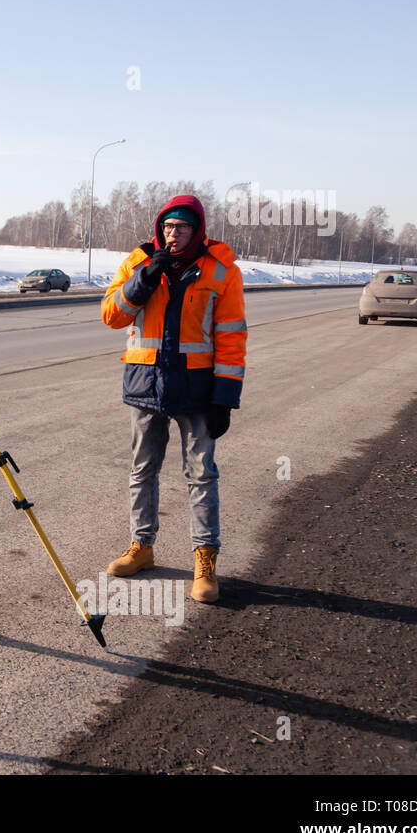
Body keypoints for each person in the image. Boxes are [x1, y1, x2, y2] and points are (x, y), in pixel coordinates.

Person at [99, 195, 246, 602]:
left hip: (198, 390)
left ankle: (205, 559)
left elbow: (231, 337)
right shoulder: (139, 262)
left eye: (181, 227)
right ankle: (141, 547)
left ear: (197, 229)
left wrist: (225, 398)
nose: (173, 233)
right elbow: (112, 315)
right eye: (167, 226)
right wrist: (144, 279)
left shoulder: (221, 271)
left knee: (201, 475)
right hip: (145, 384)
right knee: (142, 470)